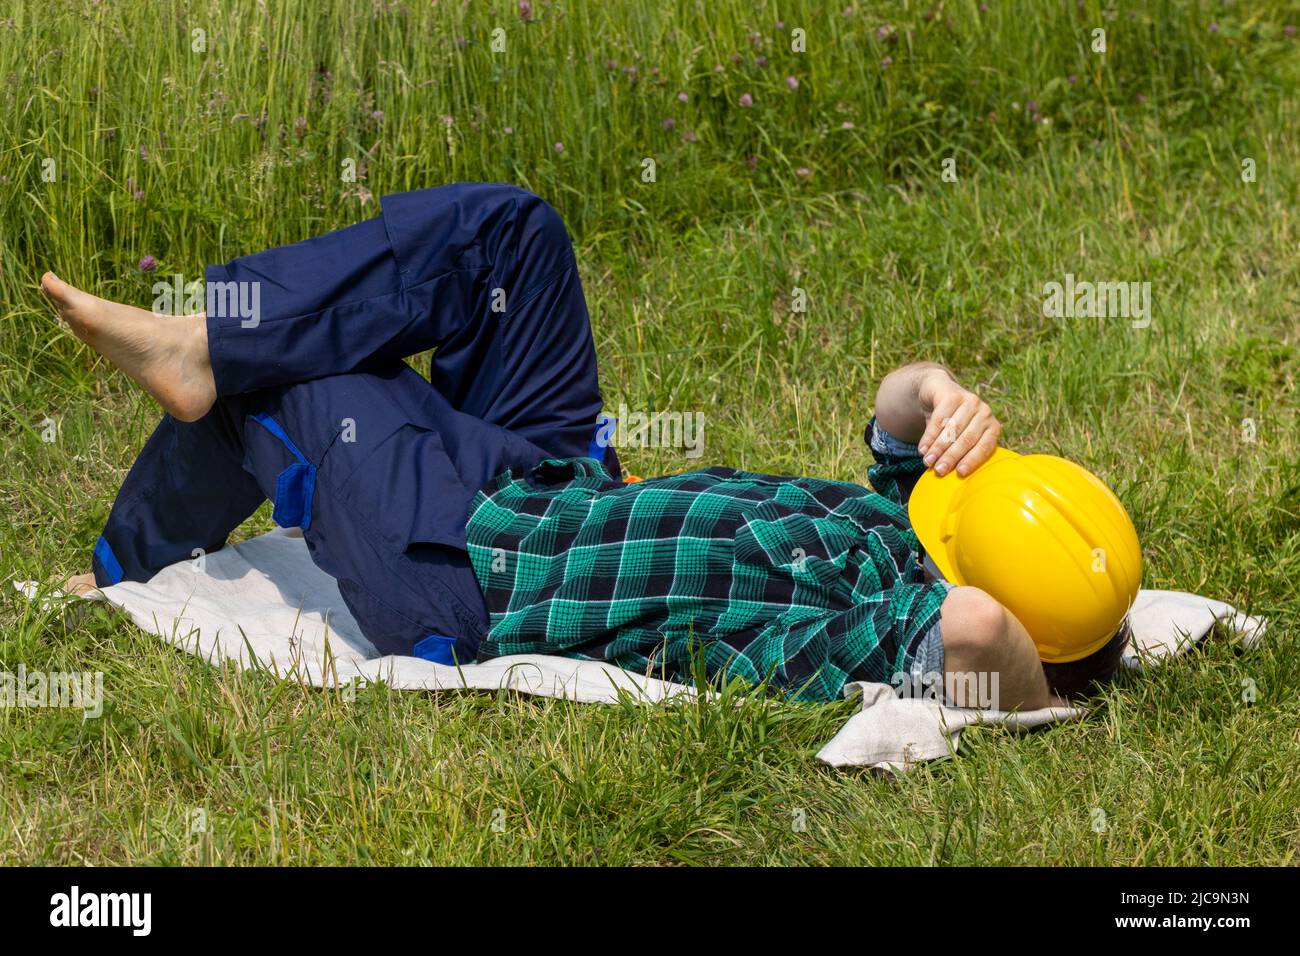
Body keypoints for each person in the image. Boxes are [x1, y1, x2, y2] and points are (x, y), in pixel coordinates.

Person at [44, 182, 1129, 712]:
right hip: (551, 470)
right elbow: (897, 413)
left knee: (298, 380)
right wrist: (944, 393)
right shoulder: (904, 530)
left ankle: (120, 563)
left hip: (474, 568)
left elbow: (979, 633)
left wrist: (1040, 688)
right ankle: (211, 332)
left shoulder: (872, 637)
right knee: (510, 231)